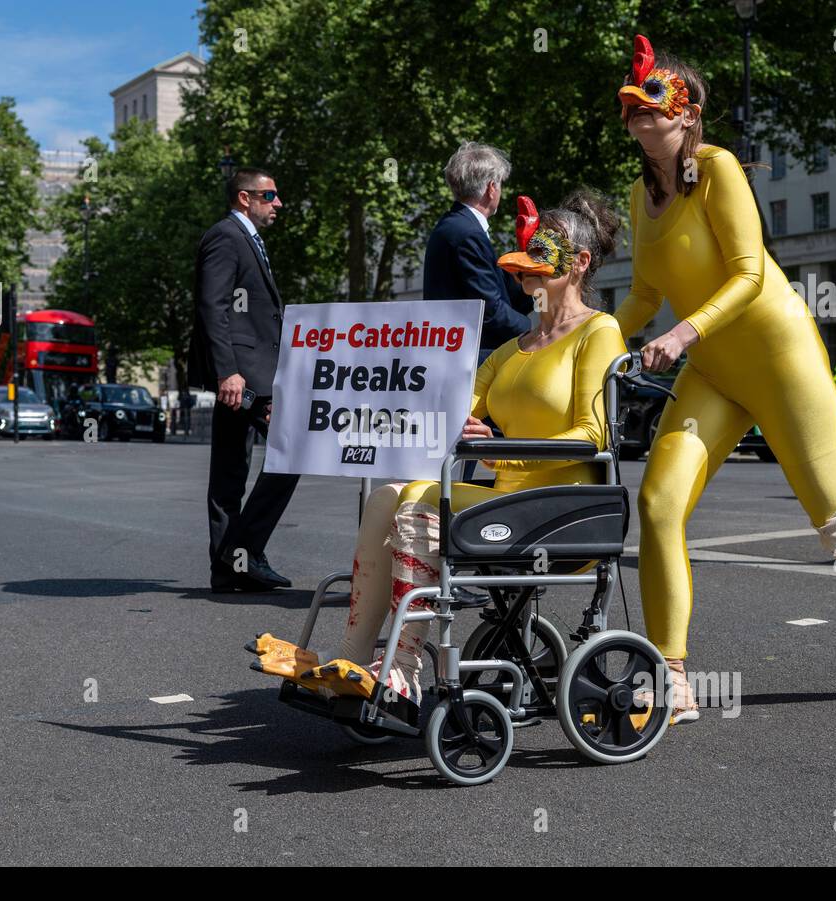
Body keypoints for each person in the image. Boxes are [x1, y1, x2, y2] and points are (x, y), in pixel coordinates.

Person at [613, 35, 836, 716]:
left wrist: (684, 330)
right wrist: (585, 335)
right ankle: (672, 677)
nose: (639, 117)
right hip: (715, 371)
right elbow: (638, 295)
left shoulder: (718, 168)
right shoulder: (641, 194)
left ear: (688, 115)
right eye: (630, 108)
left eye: (651, 106)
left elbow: (750, 275)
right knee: (659, 505)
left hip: (778, 355)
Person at [249, 189, 625, 724]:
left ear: (580, 265)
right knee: (387, 496)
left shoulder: (598, 331)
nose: (527, 282)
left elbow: (593, 437)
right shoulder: (507, 351)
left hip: (563, 509)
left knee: (421, 503)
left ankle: (402, 667)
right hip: (508, 503)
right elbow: (440, 411)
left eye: (537, 271)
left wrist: (501, 450)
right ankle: (354, 662)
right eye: (521, 273)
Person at [188, 167, 299, 593]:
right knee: (292, 453)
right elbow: (212, 308)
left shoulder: (246, 239)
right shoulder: (226, 237)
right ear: (244, 198)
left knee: (230, 470)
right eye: (269, 196)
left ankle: (228, 566)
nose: (278, 203)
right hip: (243, 376)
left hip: (245, 372)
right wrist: (228, 372)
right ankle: (245, 552)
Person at [423, 142, 534, 358]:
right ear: (491, 188)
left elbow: (501, 295)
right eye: (500, 184)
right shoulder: (467, 233)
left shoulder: (457, 226)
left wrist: (535, 273)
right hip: (472, 359)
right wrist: (535, 330)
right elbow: (488, 311)